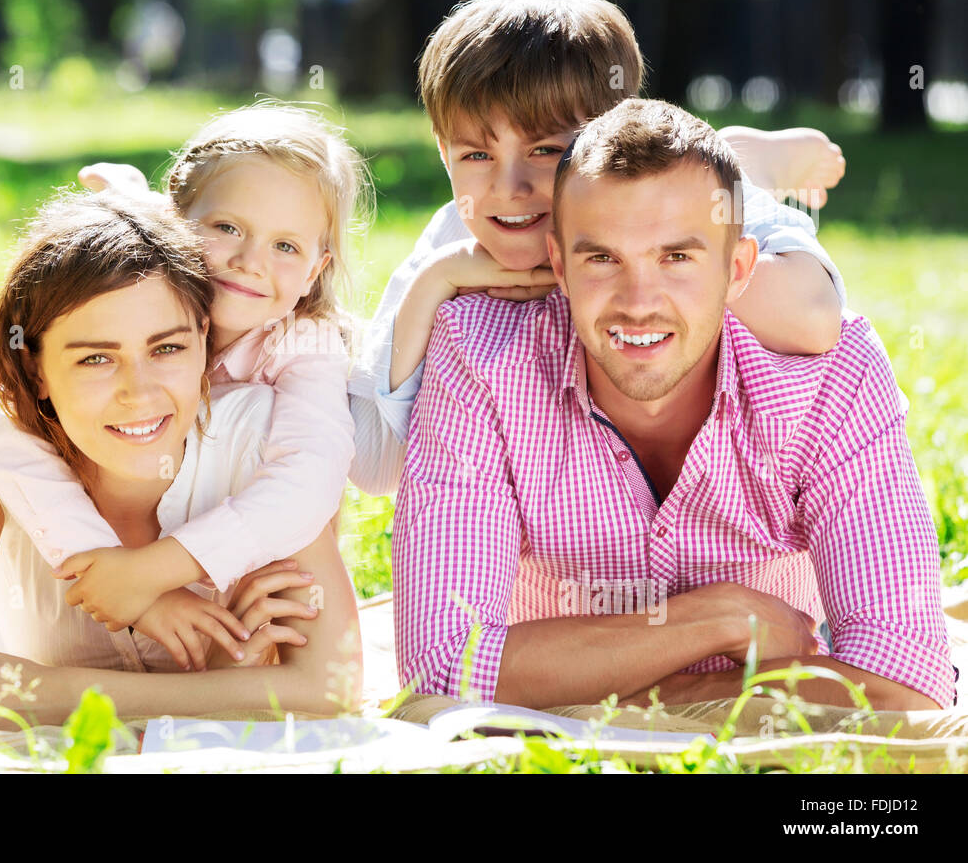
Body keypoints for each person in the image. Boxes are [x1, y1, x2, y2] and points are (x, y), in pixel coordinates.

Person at [393, 98, 955, 712]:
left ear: (739, 268)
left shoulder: (832, 374)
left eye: (676, 258)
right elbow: (442, 669)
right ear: (558, 263)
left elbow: (910, 681)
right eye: (602, 258)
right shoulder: (480, 356)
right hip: (768, 682)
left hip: (564, 689)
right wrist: (719, 619)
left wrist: (635, 696)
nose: (639, 302)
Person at [345, 0, 849, 496]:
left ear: (614, 138)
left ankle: (745, 162)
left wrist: (687, 263)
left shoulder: (697, 200)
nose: (509, 188)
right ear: (442, 150)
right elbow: (373, 464)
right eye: (476, 155)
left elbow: (814, 320)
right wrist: (436, 281)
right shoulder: (454, 237)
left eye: (545, 150)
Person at [0, 190, 361, 722]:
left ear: (204, 340)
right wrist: (223, 693)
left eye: (167, 349)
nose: (139, 392)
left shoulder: (266, 444)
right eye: (96, 358)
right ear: (36, 368)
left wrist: (55, 693)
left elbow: (329, 692)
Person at [0, 105, 371, 660]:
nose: (250, 262)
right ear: (175, 225)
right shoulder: (131, 299)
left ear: (315, 269)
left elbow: (308, 481)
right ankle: (129, 200)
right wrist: (120, 580)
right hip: (114, 548)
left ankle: (130, 196)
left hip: (239, 557)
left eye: (286, 246)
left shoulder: (308, 345)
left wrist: (157, 570)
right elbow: (11, 434)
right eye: (228, 228)